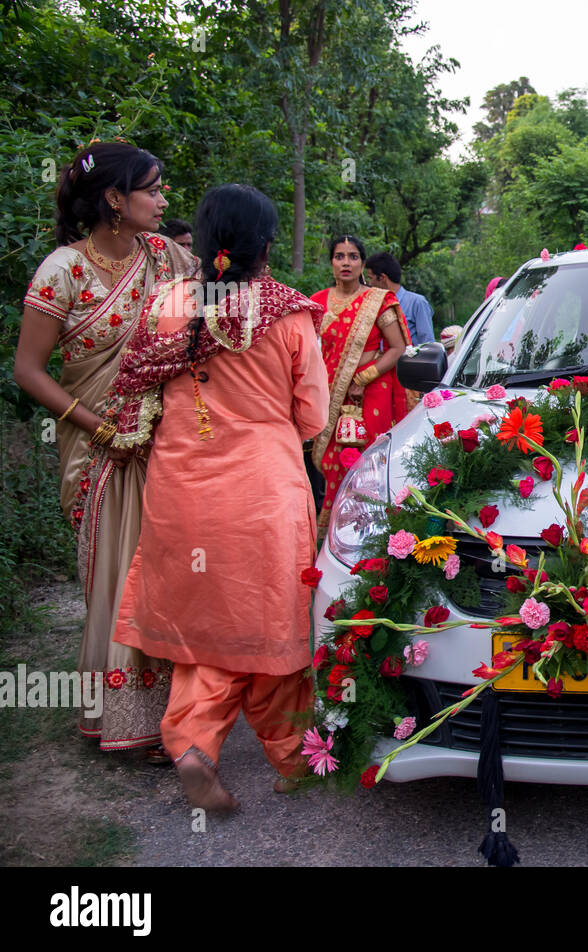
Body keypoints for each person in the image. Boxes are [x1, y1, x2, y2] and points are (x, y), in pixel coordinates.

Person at [109, 184, 329, 810]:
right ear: (264, 242)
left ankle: (193, 742)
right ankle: (291, 759)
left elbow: (140, 393)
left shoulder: (169, 302)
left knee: (204, 627)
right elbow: (311, 413)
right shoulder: (288, 310)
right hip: (262, 490)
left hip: (181, 488)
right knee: (272, 628)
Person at [13, 142, 195, 758]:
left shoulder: (167, 257)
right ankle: (123, 714)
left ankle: (177, 715)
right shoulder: (62, 269)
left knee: (166, 569)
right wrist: (99, 427)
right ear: (116, 199)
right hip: (98, 447)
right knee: (117, 573)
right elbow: (29, 371)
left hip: (163, 443)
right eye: (153, 188)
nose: (164, 199)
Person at [311, 236, 414, 532]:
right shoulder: (316, 302)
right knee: (331, 468)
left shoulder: (377, 300)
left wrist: (363, 376)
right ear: (331, 262)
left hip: (368, 396)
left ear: (362, 264)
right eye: (340, 256)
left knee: (366, 466)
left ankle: (371, 534)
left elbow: (397, 348)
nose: (346, 262)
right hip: (328, 395)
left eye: (353, 257)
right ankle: (330, 534)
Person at [364, 251, 435, 346]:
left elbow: (428, 345)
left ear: (382, 278)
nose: (369, 283)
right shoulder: (374, 306)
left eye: (370, 278)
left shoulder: (417, 303)